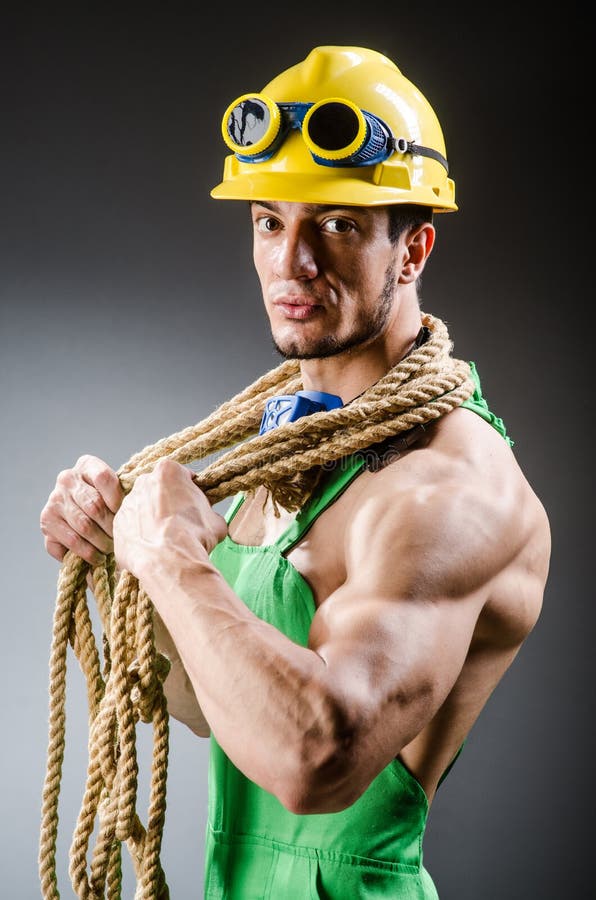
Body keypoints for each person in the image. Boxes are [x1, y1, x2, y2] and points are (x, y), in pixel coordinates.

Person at [40, 46, 551, 899]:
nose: (292, 263)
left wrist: (172, 560)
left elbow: (315, 757)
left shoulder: (455, 491)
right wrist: (113, 559)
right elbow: (227, 708)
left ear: (413, 249)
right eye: (269, 222)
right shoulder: (281, 455)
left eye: (338, 225)